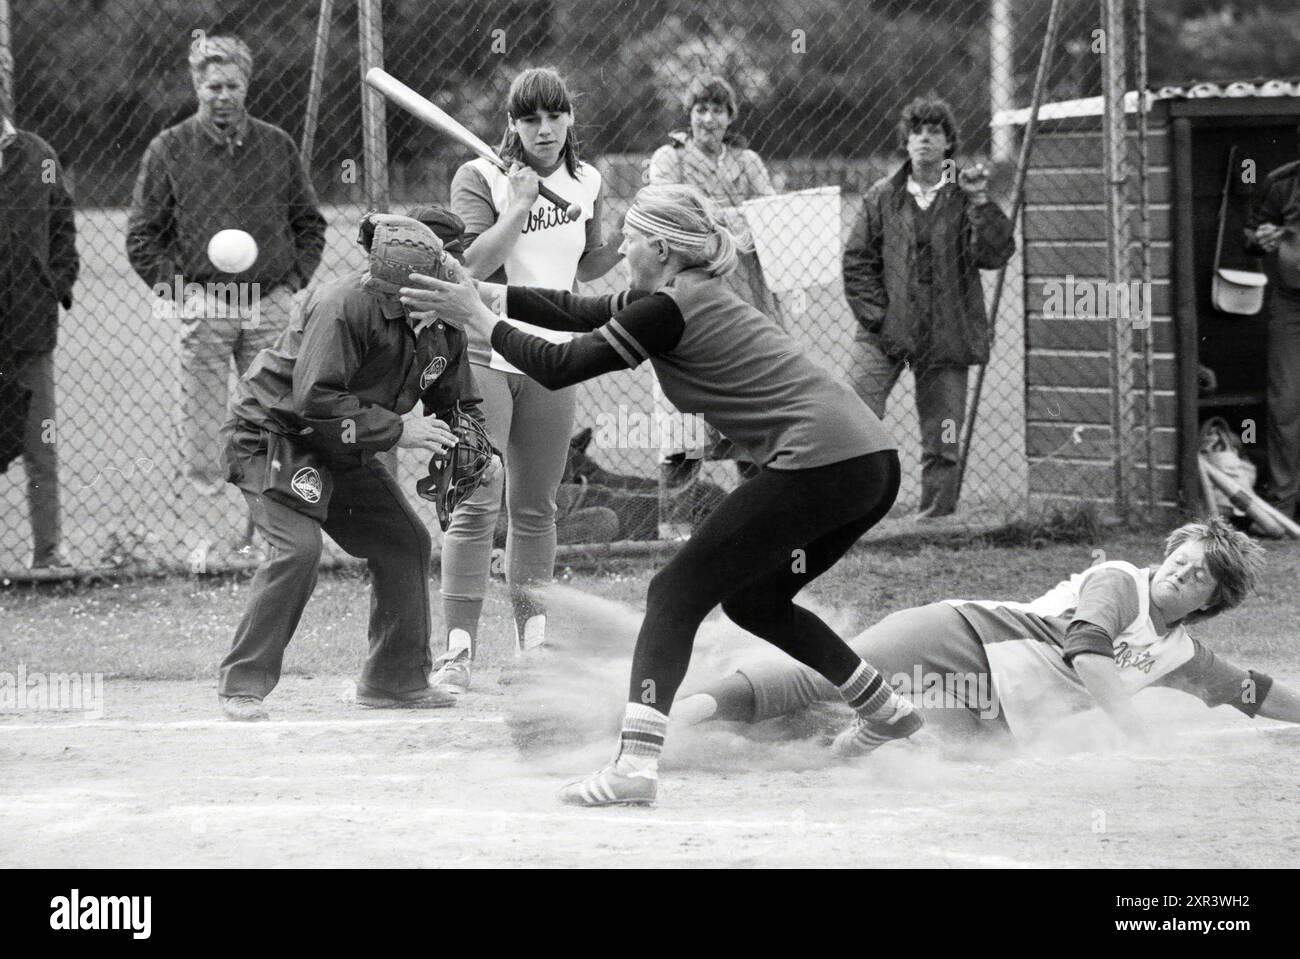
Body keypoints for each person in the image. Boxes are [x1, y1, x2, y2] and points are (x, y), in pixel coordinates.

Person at [402, 183, 921, 807]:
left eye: (632, 237)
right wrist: (483, 291)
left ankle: (635, 766)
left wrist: (478, 320)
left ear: (664, 248)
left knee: (672, 593)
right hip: (869, 465)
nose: (622, 246)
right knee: (757, 602)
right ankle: (885, 710)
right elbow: (576, 310)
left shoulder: (667, 308)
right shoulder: (677, 296)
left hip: (822, 461)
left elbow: (562, 365)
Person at [214, 211, 497, 722]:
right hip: (274, 436)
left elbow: (457, 402)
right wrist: (398, 431)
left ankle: (392, 681)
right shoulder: (344, 305)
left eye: (399, 289)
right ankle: (243, 685)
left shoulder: (446, 326)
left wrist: (477, 448)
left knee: (404, 541)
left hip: (342, 444)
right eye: (384, 284)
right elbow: (315, 400)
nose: (385, 293)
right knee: (298, 552)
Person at [677, 517, 1300, 744]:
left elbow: (1252, 690)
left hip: (989, 706)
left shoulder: (1180, 652)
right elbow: (1087, 652)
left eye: (1198, 579)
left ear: (1212, 602)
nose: (1180, 574)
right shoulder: (1122, 581)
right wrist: (1136, 736)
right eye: (1180, 560)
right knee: (826, 681)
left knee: (866, 732)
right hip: (960, 637)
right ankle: (671, 719)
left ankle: (724, 744)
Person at [434, 67, 622, 692]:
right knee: (479, 499)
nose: (544, 130)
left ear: (570, 117)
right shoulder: (481, 176)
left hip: (554, 359)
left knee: (536, 507)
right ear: (511, 124)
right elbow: (470, 263)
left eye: (554, 116)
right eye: (529, 119)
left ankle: (532, 649)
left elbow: (584, 262)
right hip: (486, 354)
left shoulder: (588, 178)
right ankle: (457, 651)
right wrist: (518, 204)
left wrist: (627, 241)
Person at [126, 35, 326, 498]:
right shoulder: (168, 149)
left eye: (232, 85)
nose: (223, 96)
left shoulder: (276, 145)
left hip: (270, 303)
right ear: (197, 85)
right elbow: (141, 236)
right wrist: (180, 293)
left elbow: (309, 224)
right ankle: (210, 525)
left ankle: (280, 506)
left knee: (282, 423)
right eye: (213, 86)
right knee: (204, 445)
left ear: (246, 85)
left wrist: (292, 284)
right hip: (207, 303)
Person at [843, 97, 1015, 519]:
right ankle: (849, 510)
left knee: (944, 431)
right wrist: (880, 319)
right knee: (850, 415)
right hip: (884, 330)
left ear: (949, 142)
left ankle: (935, 518)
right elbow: (857, 263)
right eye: (917, 130)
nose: (924, 138)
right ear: (906, 139)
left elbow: (995, 254)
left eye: (934, 131)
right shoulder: (881, 196)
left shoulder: (965, 195)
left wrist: (980, 204)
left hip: (947, 329)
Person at [647, 75, 775, 532]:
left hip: (744, 301)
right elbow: (670, 213)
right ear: (689, 113)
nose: (709, 118)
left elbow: (773, 217)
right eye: (701, 108)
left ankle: (757, 526)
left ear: (731, 116)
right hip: (688, 303)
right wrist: (736, 220)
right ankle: (674, 530)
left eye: (718, 109)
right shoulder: (670, 158)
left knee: (749, 415)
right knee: (683, 423)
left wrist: (717, 218)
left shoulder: (748, 161)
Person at [0, 48, 79, 569]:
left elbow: (62, 228)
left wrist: (56, 282)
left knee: (40, 452)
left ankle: (49, 557)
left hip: (29, 329)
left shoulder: (37, 155)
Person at [1244, 139, 1300, 521]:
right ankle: (1284, 502)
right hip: (1290, 302)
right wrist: (1260, 239)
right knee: (1286, 402)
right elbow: (1249, 236)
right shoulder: (1283, 182)